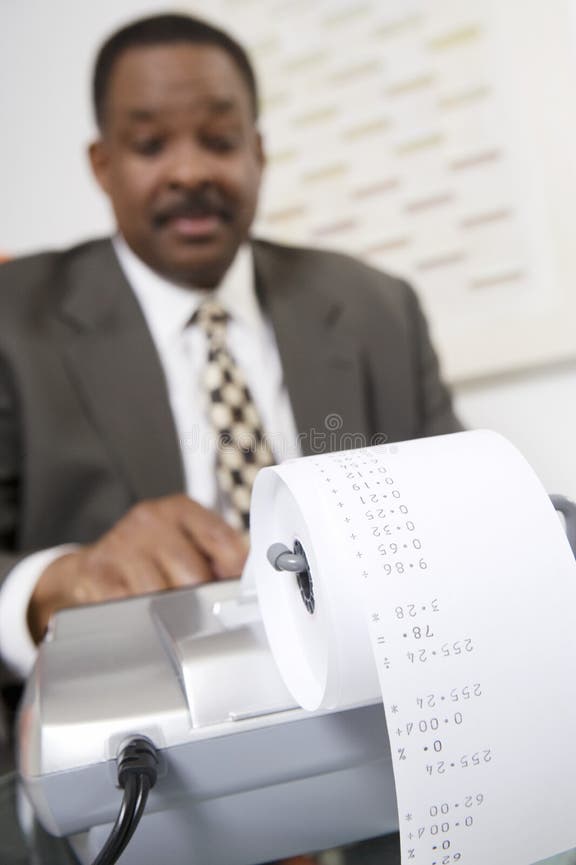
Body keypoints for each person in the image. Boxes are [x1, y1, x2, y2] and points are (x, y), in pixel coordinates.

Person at [0, 12, 461, 865]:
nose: (189, 171)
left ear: (258, 149)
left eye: (218, 138)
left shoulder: (375, 307)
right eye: (149, 145)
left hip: (385, 784)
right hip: (131, 803)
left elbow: (458, 524)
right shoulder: (12, 319)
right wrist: (47, 584)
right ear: (101, 164)